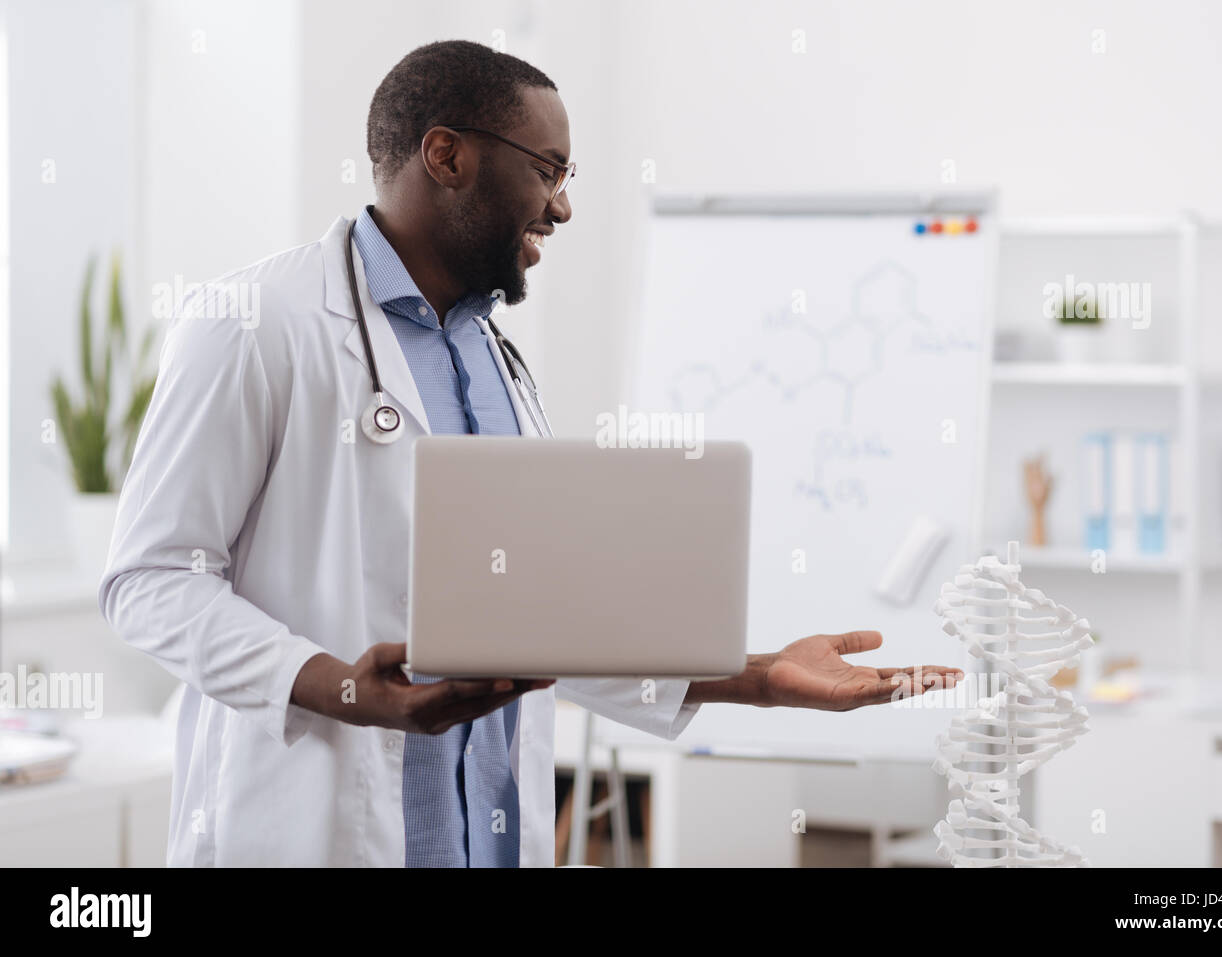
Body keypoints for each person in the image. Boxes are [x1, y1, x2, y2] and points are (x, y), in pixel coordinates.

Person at [99, 39, 962, 867]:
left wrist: (761, 676)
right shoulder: (255, 324)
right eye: (548, 170)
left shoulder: (496, 360)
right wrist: (339, 686)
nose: (563, 205)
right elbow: (150, 580)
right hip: (315, 827)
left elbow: (536, 626)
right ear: (446, 155)